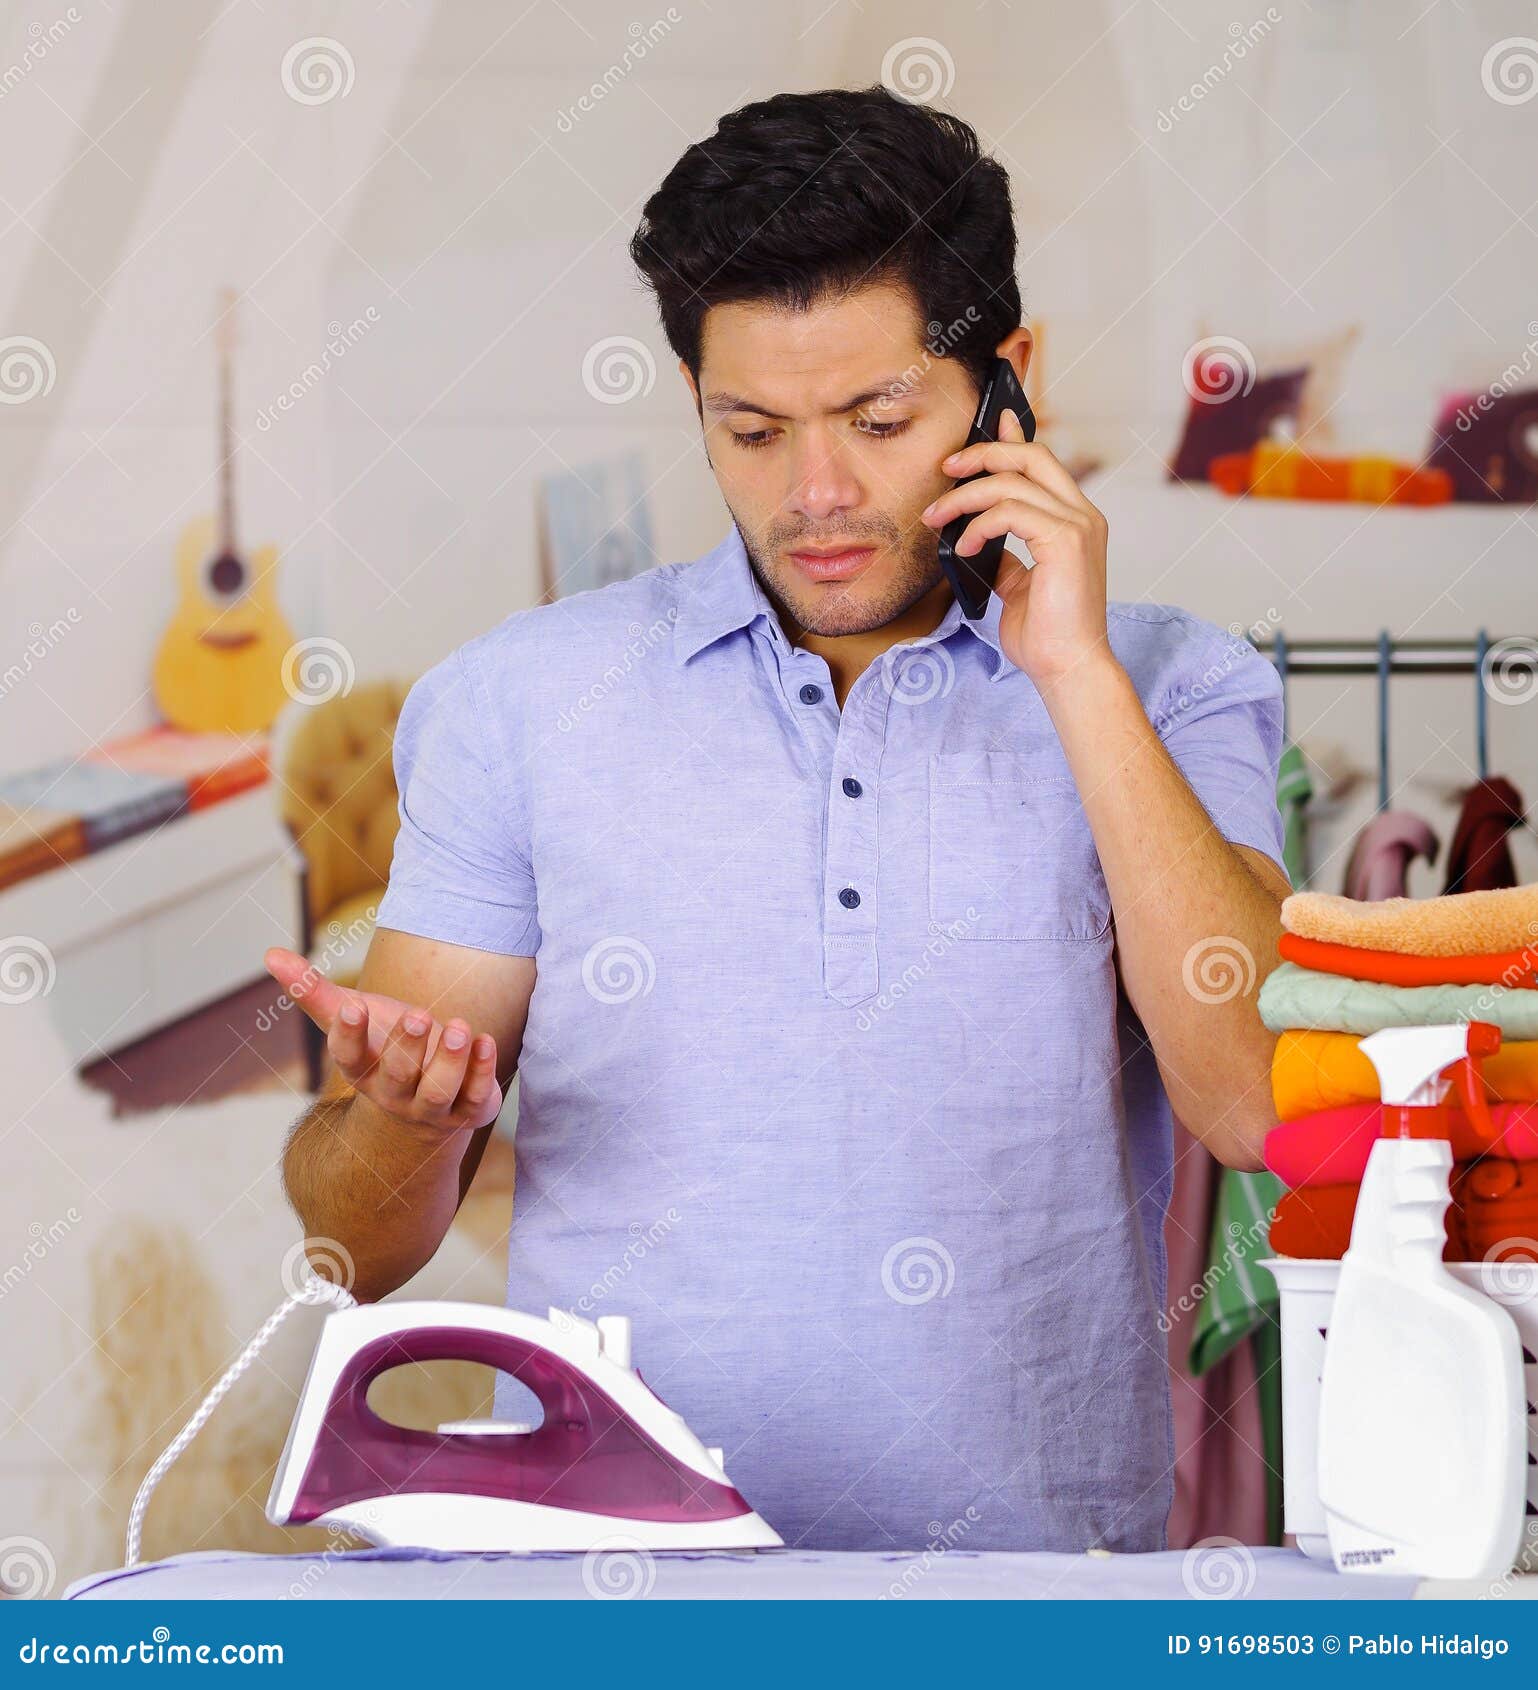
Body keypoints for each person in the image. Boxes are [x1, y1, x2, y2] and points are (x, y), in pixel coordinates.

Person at [269, 85, 1290, 1553]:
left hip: (1033, 1586)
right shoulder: (518, 700)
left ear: (1007, 385)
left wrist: (1066, 664)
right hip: (613, 1592)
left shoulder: (1177, 685)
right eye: (749, 429)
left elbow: (1254, 1100)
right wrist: (401, 1117)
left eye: (878, 418)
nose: (815, 493)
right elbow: (345, 1255)